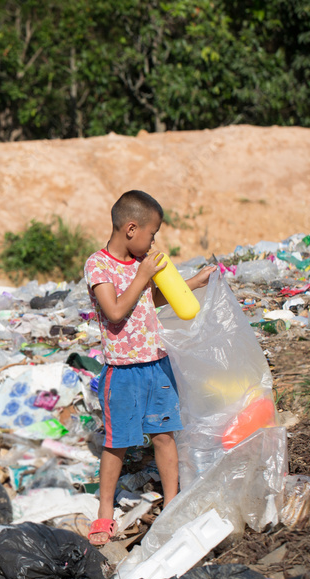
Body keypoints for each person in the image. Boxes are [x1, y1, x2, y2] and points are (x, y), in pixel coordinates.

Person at [83, 190, 214, 547]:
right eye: (151, 234)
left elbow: (147, 300)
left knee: (164, 435)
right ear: (131, 229)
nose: (153, 242)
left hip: (156, 364)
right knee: (118, 443)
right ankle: (105, 510)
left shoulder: (140, 265)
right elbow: (114, 311)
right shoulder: (99, 265)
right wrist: (142, 275)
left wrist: (192, 283)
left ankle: (172, 503)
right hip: (123, 371)